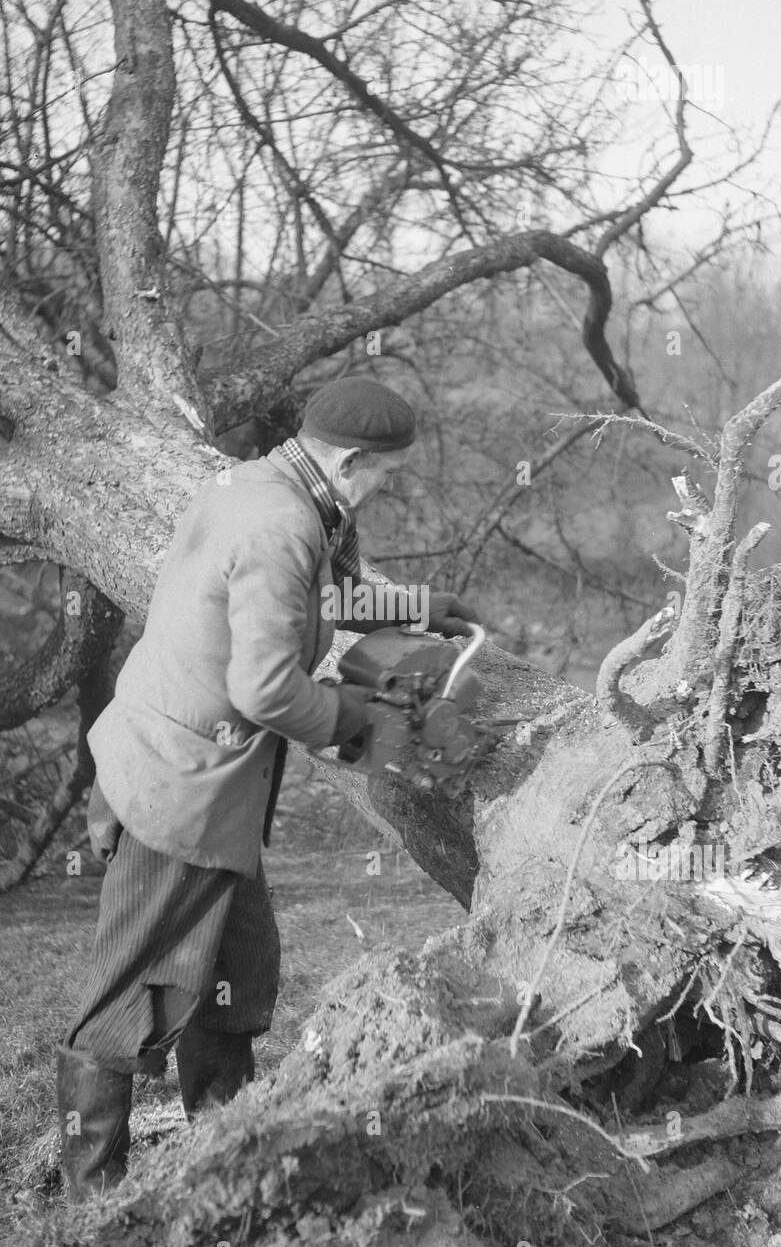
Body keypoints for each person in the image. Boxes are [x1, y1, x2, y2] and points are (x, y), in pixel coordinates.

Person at [57, 375, 480, 1200]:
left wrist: (425, 604)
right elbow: (266, 691)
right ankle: (89, 1205)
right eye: (386, 473)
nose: (387, 487)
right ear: (351, 460)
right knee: (123, 1000)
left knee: (238, 978)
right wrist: (360, 717)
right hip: (183, 789)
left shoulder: (255, 483)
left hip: (195, 774)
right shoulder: (283, 521)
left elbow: (318, 601)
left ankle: (226, 1165)